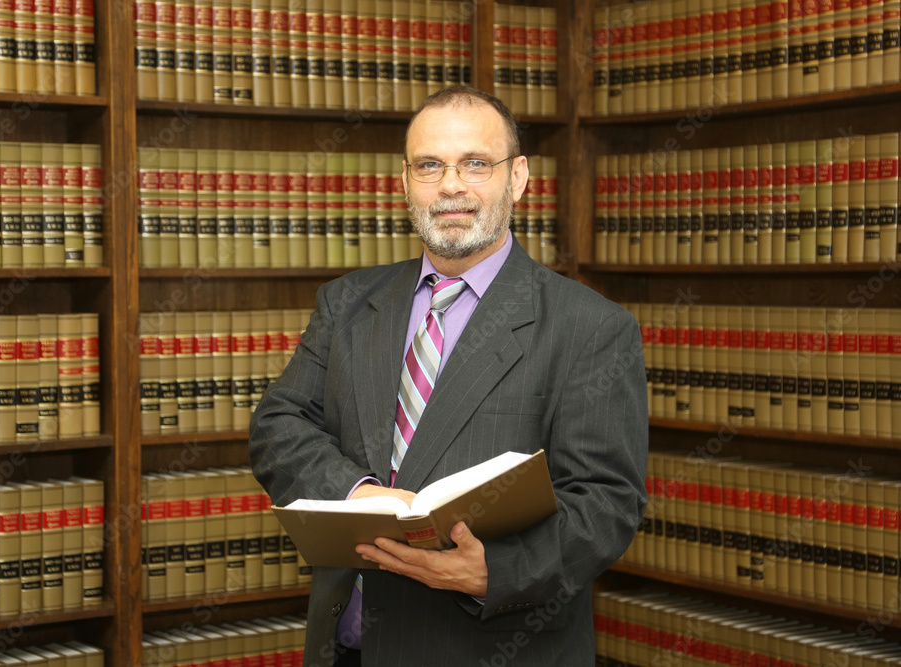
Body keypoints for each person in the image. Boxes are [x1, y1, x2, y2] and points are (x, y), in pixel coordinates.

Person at [249, 86, 648, 667]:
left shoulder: (590, 327)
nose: (452, 185)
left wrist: (496, 571)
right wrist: (358, 495)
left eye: (476, 164)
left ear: (518, 179)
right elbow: (278, 425)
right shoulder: (348, 303)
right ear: (404, 181)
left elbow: (608, 502)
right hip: (349, 648)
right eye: (430, 165)